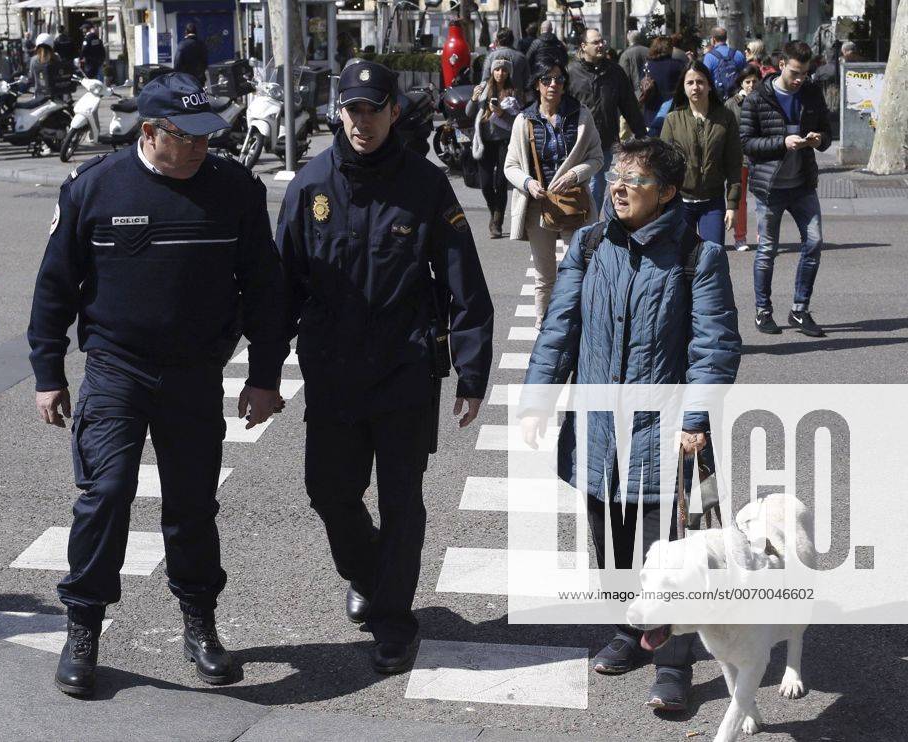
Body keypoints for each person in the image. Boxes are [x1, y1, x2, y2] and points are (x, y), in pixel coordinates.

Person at [28, 72, 289, 698]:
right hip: (118, 367)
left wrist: (264, 375)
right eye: (187, 136)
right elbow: (54, 287)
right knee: (106, 494)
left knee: (192, 507)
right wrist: (48, 373)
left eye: (208, 135)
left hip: (196, 373)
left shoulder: (235, 191)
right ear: (150, 132)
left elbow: (265, 289)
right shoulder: (95, 188)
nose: (202, 147)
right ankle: (83, 627)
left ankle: (200, 625)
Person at [275, 61, 494, 675]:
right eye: (352, 109)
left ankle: (394, 620)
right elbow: (280, 289)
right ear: (338, 111)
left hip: (403, 373)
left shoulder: (425, 186)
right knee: (328, 491)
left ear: (394, 110)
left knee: (403, 503)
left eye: (373, 108)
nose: (362, 120)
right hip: (334, 372)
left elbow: (466, 288)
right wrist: (264, 373)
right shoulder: (309, 185)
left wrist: (471, 374)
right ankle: (368, 574)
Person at [521, 137, 741, 713]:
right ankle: (628, 629)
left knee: (666, 552)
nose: (617, 187)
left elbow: (713, 347)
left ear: (666, 193)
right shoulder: (591, 245)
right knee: (610, 544)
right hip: (598, 427)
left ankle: (673, 662)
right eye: (614, 176)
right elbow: (560, 326)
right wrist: (538, 397)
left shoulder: (698, 257)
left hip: (663, 432)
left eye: (633, 180)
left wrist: (697, 418)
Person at [741, 40, 832, 337]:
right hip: (770, 187)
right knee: (767, 251)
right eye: (794, 72)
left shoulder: (810, 93)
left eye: (804, 74)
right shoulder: (757, 98)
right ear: (781, 65)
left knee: (815, 242)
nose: (798, 80)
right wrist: (782, 143)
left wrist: (820, 140)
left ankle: (799, 310)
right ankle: (762, 311)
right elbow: (746, 144)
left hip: (802, 183)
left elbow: (828, 132)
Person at [504, 59, 604, 327]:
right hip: (539, 205)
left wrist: (574, 174)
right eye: (547, 79)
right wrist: (528, 183)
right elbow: (510, 166)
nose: (553, 85)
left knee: (577, 268)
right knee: (544, 273)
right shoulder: (524, 120)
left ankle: (577, 320)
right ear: (537, 84)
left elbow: (597, 158)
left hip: (574, 203)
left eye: (559, 80)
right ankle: (543, 323)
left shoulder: (580, 115)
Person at [659, 60, 742, 246]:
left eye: (700, 82)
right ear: (683, 87)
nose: (696, 87)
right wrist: (661, 204)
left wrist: (732, 205)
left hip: (713, 202)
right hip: (680, 202)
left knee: (712, 257)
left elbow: (734, 163)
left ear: (709, 86)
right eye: (690, 83)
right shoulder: (673, 119)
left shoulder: (725, 117)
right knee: (680, 259)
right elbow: (663, 166)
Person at [567, 28, 647, 210]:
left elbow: (629, 105)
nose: (601, 45)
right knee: (577, 184)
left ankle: (589, 226)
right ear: (583, 46)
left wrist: (641, 134)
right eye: (595, 42)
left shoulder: (614, 72)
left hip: (604, 140)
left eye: (602, 41)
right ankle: (576, 222)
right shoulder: (571, 73)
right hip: (576, 142)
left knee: (597, 185)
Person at [469, 58, 523, 238]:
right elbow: (469, 112)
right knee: (485, 184)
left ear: (508, 73)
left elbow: (518, 121)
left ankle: (497, 223)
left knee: (500, 183)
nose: (500, 73)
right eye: (497, 70)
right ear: (492, 71)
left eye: (504, 70)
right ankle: (494, 212)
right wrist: (473, 98)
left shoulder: (513, 92)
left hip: (505, 142)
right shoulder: (483, 89)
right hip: (484, 141)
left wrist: (501, 113)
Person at [725, 65, 762, 250]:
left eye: (755, 81)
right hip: (740, 157)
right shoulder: (732, 104)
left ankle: (763, 235)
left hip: (762, 156)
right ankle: (740, 237)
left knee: (763, 198)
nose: (751, 85)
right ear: (741, 83)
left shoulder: (765, 100)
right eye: (748, 82)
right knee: (739, 199)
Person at [641, 36, 684, 127]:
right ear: (669, 49)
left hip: (650, 114)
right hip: (672, 114)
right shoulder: (678, 65)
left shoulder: (647, 65)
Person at [481, 27, 530, 95]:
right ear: (512, 40)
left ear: (497, 40)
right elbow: (527, 81)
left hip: (495, 98)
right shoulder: (521, 57)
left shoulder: (491, 56)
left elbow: (485, 79)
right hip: (517, 98)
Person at [703, 26, 746, 99]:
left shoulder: (709, 57)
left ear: (713, 39)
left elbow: (704, 77)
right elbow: (745, 74)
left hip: (718, 99)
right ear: (726, 38)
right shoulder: (738, 54)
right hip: (737, 97)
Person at [29, 35, 64, 99]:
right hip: (56, 95)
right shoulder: (57, 58)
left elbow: (31, 78)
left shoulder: (33, 60)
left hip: (40, 95)